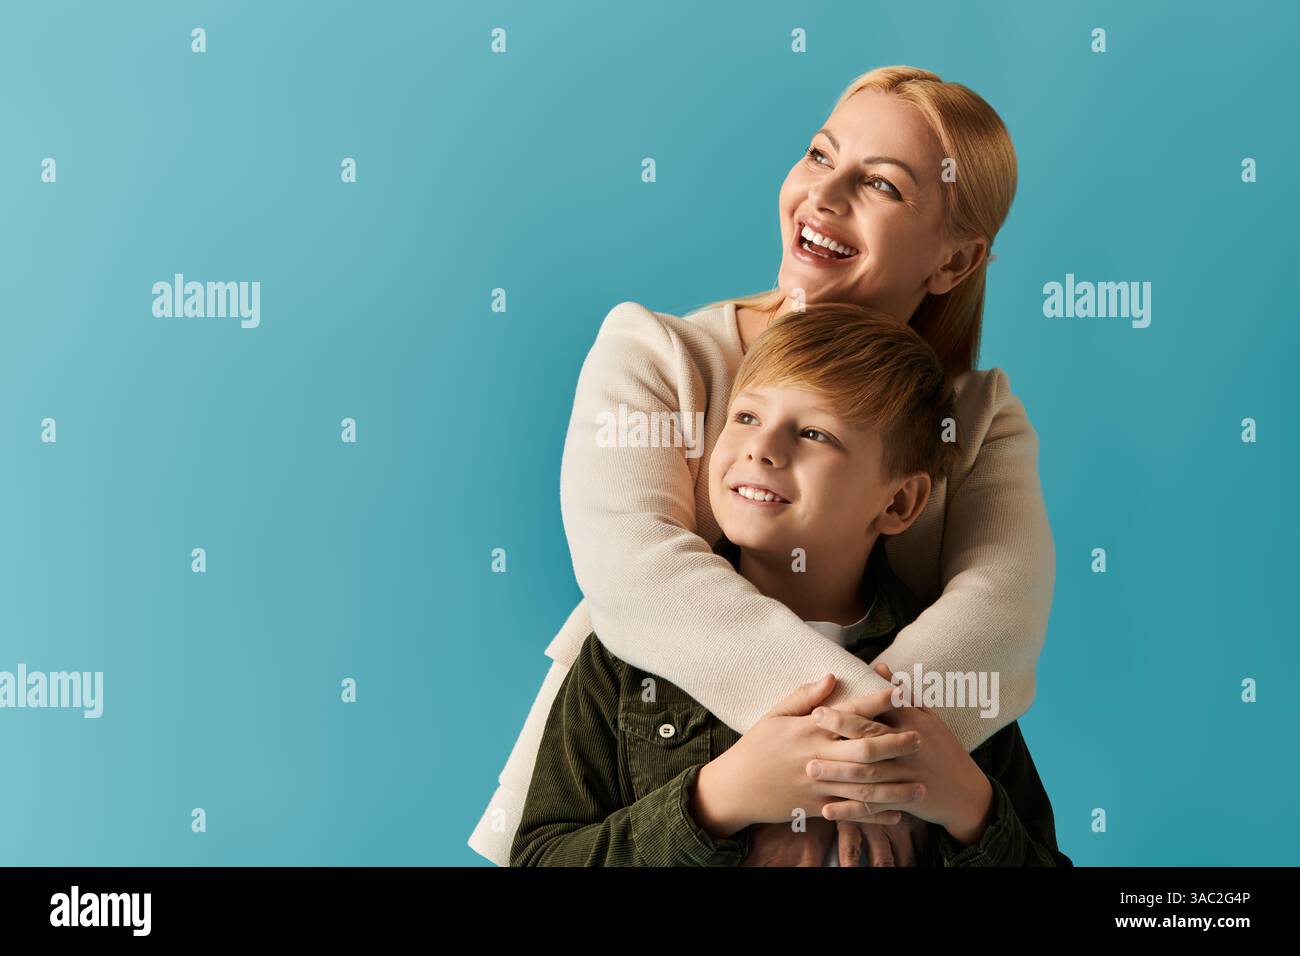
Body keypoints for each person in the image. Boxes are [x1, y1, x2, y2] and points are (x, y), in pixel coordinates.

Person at [471, 65, 1054, 867]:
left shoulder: (978, 420)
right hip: (640, 777)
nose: (825, 193)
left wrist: (880, 779)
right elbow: (638, 574)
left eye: (880, 184)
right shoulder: (658, 354)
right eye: (820, 155)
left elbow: (1002, 614)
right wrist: (852, 767)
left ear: (954, 263)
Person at [510, 306, 1069, 866]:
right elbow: (539, 856)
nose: (762, 447)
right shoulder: (625, 660)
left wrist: (970, 806)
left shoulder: (955, 672)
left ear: (898, 502)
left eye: (813, 433)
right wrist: (714, 802)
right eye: (747, 417)